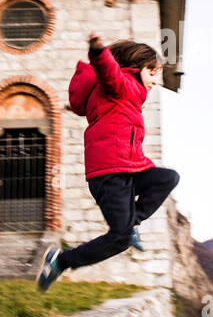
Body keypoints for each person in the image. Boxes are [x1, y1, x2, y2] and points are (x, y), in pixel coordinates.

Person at [36, 31, 180, 291]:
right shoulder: (120, 84)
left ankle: (134, 221)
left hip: (130, 168)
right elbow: (108, 72)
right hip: (110, 175)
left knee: (168, 178)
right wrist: (98, 51)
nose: (155, 81)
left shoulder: (123, 94)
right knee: (120, 238)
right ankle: (60, 261)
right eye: (152, 72)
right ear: (135, 68)